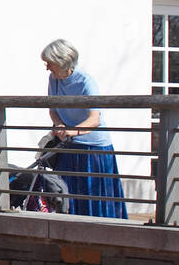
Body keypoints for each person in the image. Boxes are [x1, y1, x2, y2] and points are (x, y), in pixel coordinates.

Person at [41, 40, 127, 218]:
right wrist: (59, 125)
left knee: (92, 198)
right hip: (69, 147)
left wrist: (72, 131)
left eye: (50, 62)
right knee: (66, 196)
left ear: (63, 61)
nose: (47, 67)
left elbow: (94, 119)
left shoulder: (85, 82)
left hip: (93, 149)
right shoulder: (53, 79)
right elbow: (53, 110)